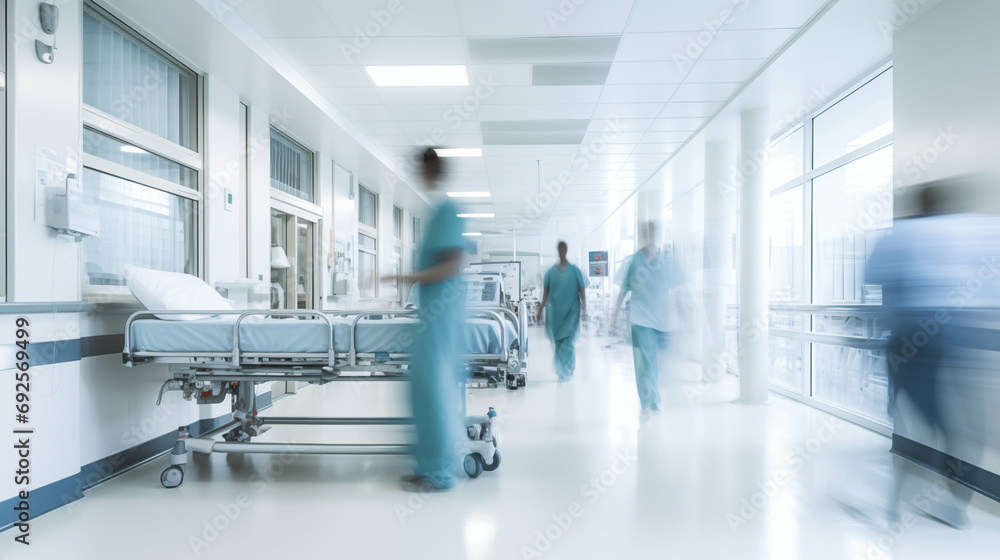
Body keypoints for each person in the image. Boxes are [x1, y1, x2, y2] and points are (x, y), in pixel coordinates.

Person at [387, 148, 467, 492]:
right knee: (422, 387)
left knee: (433, 388)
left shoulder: (448, 211)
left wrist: (406, 278)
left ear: (433, 167)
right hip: (430, 315)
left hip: (443, 313)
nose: (418, 171)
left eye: (422, 166)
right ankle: (428, 465)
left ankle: (440, 471)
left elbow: (452, 264)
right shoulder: (434, 211)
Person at [613, 222, 683, 414]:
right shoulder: (634, 261)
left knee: (653, 361)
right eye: (647, 233)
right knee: (644, 360)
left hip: (660, 320)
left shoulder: (665, 260)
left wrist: (681, 312)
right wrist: (615, 313)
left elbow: (676, 288)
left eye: (653, 233)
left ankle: (652, 395)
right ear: (644, 235)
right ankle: (648, 399)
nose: (650, 236)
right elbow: (624, 289)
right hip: (640, 319)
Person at [537, 241, 587, 382]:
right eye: (559, 249)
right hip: (556, 314)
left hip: (572, 312)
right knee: (558, 342)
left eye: (563, 249)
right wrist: (540, 309)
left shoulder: (574, 270)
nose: (561, 251)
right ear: (558, 251)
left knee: (569, 342)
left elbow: (581, 289)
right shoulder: (551, 272)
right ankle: (561, 371)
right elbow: (545, 291)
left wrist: (584, 308)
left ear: (566, 250)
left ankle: (568, 370)